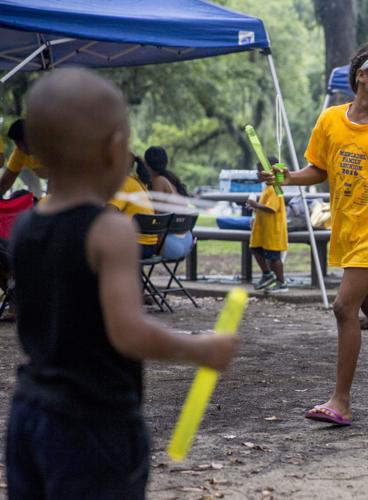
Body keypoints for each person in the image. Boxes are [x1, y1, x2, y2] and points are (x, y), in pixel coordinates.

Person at [6, 67, 239, 500]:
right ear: (115, 149)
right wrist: (199, 347)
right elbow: (128, 331)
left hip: (31, 411)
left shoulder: (25, 227)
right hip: (94, 420)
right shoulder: (109, 231)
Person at [260, 43, 368, 425]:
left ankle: (340, 401)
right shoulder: (330, 120)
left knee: (344, 307)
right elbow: (318, 169)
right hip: (348, 226)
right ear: (361, 76)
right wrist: (285, 177)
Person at [144, 146, 194, 261]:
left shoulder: (158, 181)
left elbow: (156, 217)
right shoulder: (171, 179)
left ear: (146, 164)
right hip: (186, 241)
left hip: (170, 245)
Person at [247, 156, 288, 291]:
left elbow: (271, 209)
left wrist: (255, 204)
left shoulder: (275, 188)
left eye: (260, 171)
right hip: (264, 230)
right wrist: (255, 208)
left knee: (274, 258)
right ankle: (267, 274)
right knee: (255, 248)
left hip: (273, 232)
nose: (257, 174)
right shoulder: (267, 187)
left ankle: (281, 282)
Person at [107, 154, 159, 258]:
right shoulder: (137, 182)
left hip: (135, 246)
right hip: (149, 245)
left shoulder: (124, 183)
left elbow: (108, 213)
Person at [0, 119, 47, 198]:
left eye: (21, 142)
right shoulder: (19, 154)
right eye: (16, 143)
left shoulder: (51, 147)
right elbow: (5, 182)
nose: (19, 147)